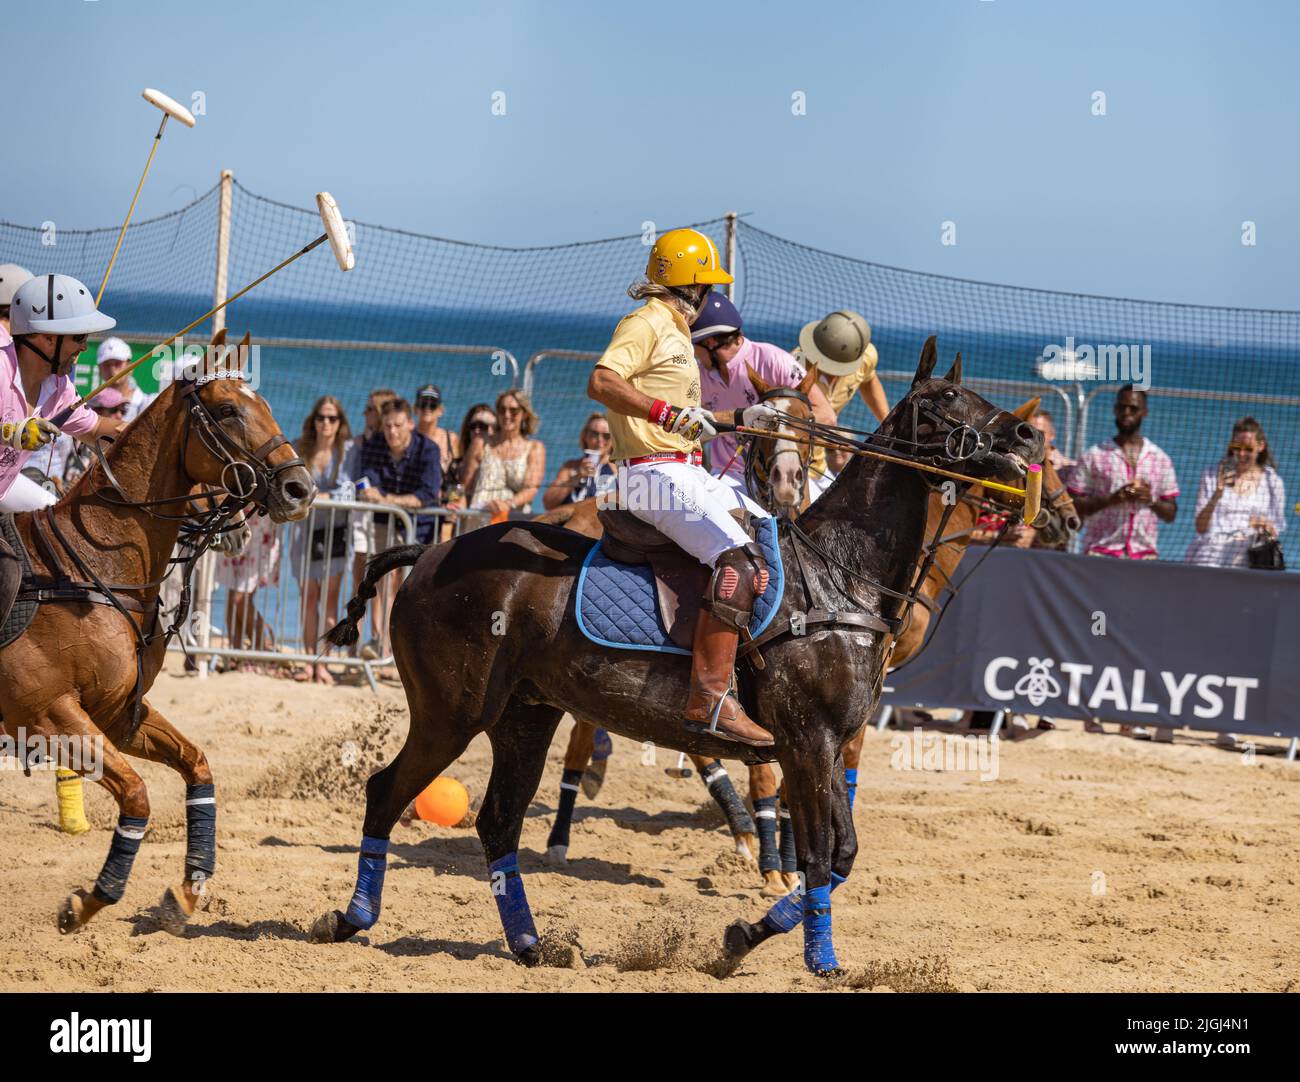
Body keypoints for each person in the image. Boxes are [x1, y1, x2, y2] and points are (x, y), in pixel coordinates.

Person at [586, 227, 775, 747]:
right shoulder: (646, 321)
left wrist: (741, 415)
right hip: (647, 474)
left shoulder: (676, 333)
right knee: (734, 561)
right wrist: (669, 413)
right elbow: (601, 381)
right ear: (689, 286)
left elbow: (686, 416)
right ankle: (709, 699)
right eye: (707, 288)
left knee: (768, 532)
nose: (710, 298)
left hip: (683, 468)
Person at [2, 272, 122, 836]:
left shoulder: (57, 383)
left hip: (3, 486)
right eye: (75, 337)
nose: (83, 346)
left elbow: (85, 421)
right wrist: (9, 430)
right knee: (6, 570)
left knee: (57, 531)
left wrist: (124, 433)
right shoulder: (0, 367)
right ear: (42, 339)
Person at [1070, 385, 1179, 741]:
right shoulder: (1095, 456)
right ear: (1115, 411)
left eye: (1133, 408)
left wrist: (1149, 499)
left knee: (1135, 640)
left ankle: (1129, 714)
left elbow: (1171, 512)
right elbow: (1075, 508)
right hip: (1102, 555)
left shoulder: (1159, 459)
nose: (1126, 413)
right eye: (1122, 408)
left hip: (1142, 559)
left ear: (1144, 413)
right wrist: (1111, 499)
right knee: (1097, 635)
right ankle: (1092, 711)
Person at [689, 292, 837, 498]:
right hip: (731, 475)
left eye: (694, 345)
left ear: (711, 343)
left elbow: (826, 415)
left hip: (784, 469)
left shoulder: (774, 360)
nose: (693, 353)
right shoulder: (700, 375)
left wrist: (779, 423)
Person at [357, 398, 442, 664]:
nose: (392, 432)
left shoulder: (428, 449)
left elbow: (427, 494)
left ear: (410, 424)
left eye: (397, 425)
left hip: (421, 529)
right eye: (387, 426)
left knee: (415, 589)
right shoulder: (374, 446)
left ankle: (407, 649)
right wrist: (389, 500)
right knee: (382, 582)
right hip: (383, 522)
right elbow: (368, 486)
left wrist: (387, 500)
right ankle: (381, 644)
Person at [290, 396, 354, 684]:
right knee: (308, 598)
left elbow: (352, 490)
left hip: (337, 533)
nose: (326, 423)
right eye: (321, 417)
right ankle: (307, 661)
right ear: (313, 420)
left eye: (332, 418)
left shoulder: (348, 452)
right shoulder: (299, 447)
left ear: (340, 423)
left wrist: (319, 497)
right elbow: (291, 486)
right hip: (305, 532)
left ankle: (323, 662)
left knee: (330, 600)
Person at [795, 310, 890, 493]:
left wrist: (887, 424)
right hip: (795, 465)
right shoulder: (794, 367)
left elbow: (869, 381)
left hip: (820, 465)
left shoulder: (866, 357)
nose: (827, 370)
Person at [1185, 417, 1285, 570]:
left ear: (1261, 446)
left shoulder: (1272, 481)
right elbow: (1200, 527)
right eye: (1237, 447)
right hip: (1211, 555)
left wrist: (1265, 526)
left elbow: (1275, 531)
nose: (1241, 454)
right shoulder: (1211, 474)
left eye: (1248, 449)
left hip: (1251, 556)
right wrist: (1217, 494)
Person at [343, 387, 396, 658]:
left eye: (371, 409)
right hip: (363, 517)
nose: (366, 414)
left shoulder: (387, 443)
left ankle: (380, 641)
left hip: (384, 520)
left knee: (385, 582)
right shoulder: (360, 442)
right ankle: (356, 641)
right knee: (361, 582)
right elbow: (355, 480)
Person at [464, 389, 545, 518]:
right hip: (479, 519)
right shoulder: (481, 444)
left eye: (513, 410)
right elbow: (466, 488)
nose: (507, 415)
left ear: (524, 414)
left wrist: (508, 504)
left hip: (513, 521)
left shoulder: (535, 448)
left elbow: (531, 488)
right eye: (502, 410)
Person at [542, 411, 616, 509]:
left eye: (606, 435)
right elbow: (548, 503)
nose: (599, 439)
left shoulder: (618, 468)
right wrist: (577, 477)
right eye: (594, 434)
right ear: (585, 436)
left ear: (613, 440)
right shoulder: (570, 467)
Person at [443, 402, 496, 508]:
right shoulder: (456, 465)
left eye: (482, 426)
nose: (477, 430)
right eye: (473, 426)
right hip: (471, 518)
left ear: (493, 428)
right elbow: (455, 494)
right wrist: (452, 502)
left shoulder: (502, 459)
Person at [95, 336, 157, 422]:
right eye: (107, 364)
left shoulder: (150, 404)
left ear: (130, 367)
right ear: (99, 369)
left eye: (118, 363)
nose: (112, 370)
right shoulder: (87, 408)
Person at [414, 383, 459, 475]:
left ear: (441, 410)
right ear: (415, 409)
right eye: (423, 404)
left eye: (432, 405)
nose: (427, 408)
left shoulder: (450, 439)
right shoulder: (408, 437)